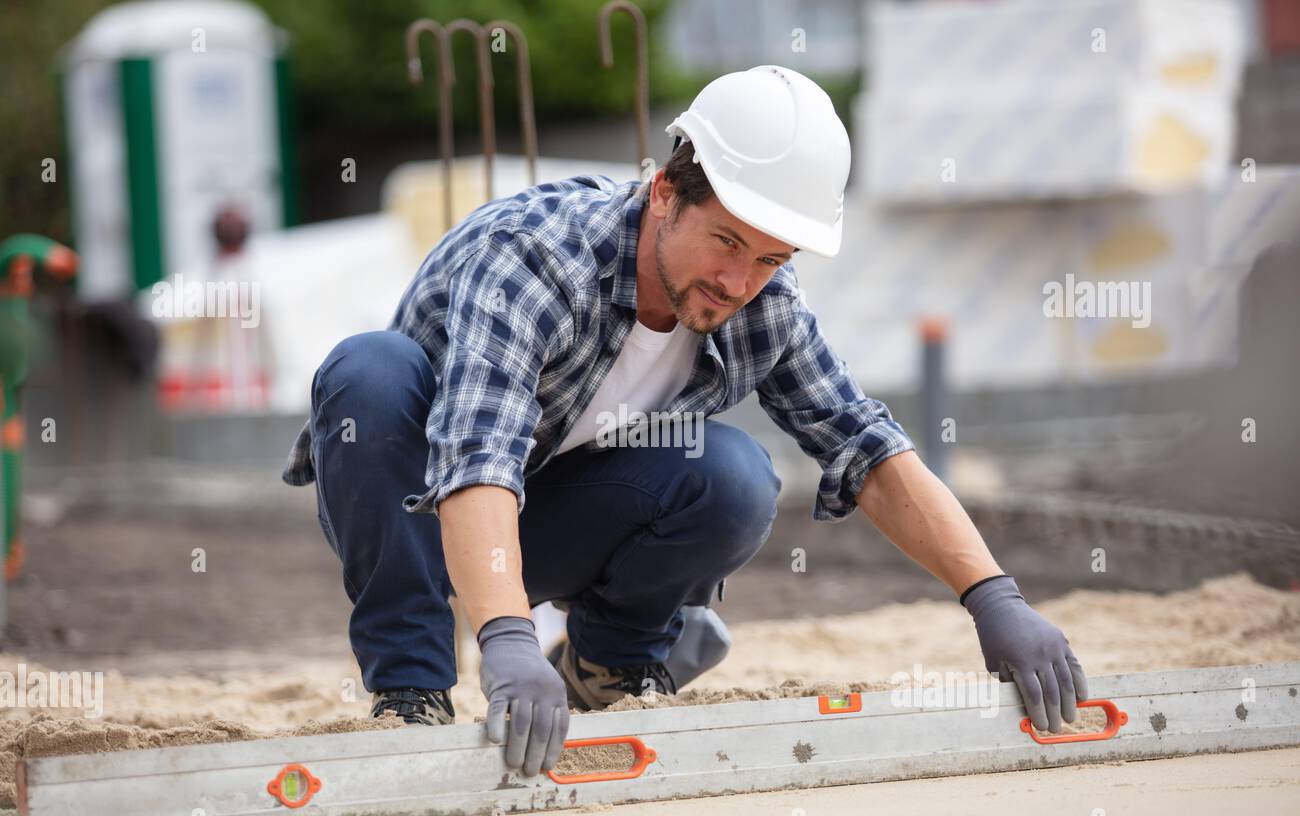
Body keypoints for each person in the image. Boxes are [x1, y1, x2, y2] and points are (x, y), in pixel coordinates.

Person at [281, 66, 1088, 778]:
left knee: (731, 476)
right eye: (727, 242)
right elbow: (478, 456)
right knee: (370, 372)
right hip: (413, 509)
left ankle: (607, 671)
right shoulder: (536, 259)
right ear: (665, 192)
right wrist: (507, 640)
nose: (741, 280)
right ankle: (413, 689)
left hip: (543, 521)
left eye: (771, 259)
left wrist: (993, 596)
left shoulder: (763, 305)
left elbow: (864, 446)